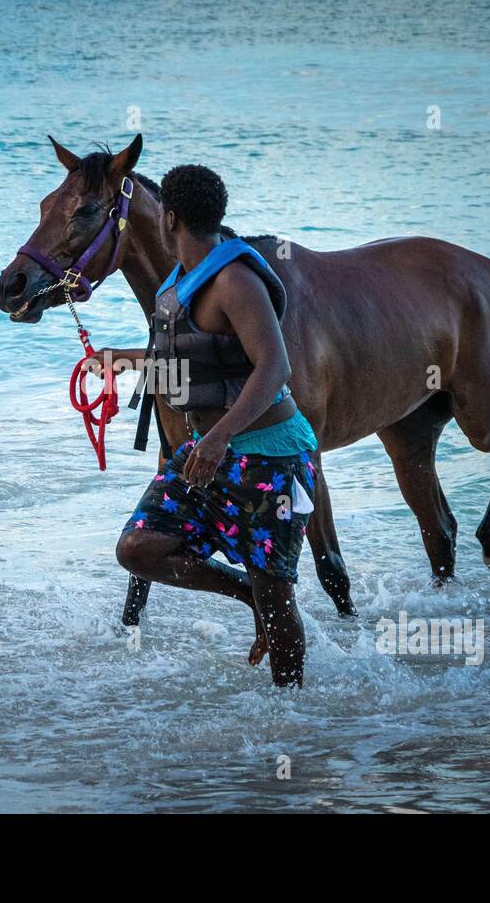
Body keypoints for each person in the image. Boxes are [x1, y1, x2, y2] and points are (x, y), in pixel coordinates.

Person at [91, 164, 319, 687]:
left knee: (278, 594)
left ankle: (292, 717)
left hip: (272, 459)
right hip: (208, 452)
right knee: (140, 548)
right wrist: (115, 360)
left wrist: (218, 437)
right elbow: (193, 361)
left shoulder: (235, 280)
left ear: (169, 217)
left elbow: (275, 367)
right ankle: (248, 596)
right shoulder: (180, 282)